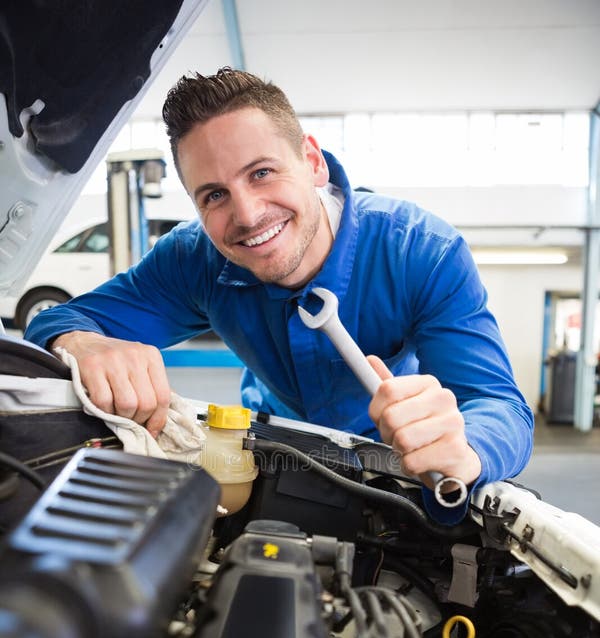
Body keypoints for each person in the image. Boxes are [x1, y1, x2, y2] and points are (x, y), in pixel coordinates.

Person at [25, 67, 534, 523]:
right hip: (267, 454)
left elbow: (499, 405)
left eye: (262, 173)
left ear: (313, 161)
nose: (246, 215)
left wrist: (465, 447)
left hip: (392, 466)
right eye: (215, 195)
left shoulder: (420, 251)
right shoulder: (193, 259)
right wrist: (82, 342)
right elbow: (59, 321)